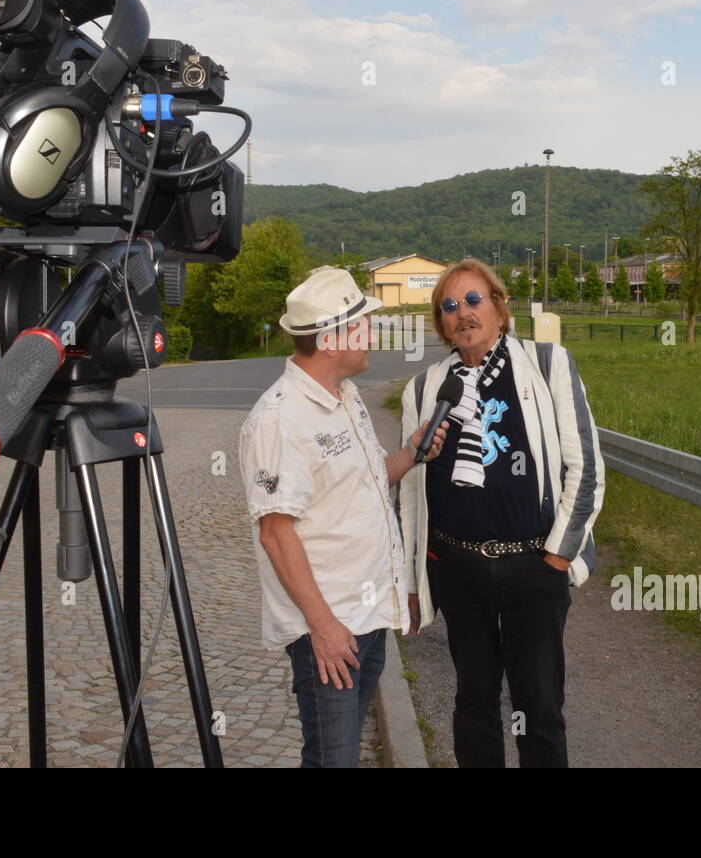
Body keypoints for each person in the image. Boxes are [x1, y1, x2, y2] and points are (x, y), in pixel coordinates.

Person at [398, 258, 605, 768]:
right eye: (449, 306)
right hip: (458, 566)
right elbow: (410, 495)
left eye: (473, 300)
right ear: (440, 321)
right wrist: (411, 579)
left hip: (533, 567)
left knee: (539, 708)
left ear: (499, 306)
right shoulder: (424, 389)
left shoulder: (548, 364)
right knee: (473, 701)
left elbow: (586, 466)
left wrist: (557, 557)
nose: (462, 314)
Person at [239, 266, 448, 768]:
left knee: (343, 751)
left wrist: (411, 453)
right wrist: (324, 627)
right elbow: (275, 533)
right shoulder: (280, 419)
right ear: (333, 338)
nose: (371, 334)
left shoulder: (344, 396)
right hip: (329, 629)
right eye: (363, 324)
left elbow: (370, 479)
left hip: (367, 613)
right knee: (333, 759)